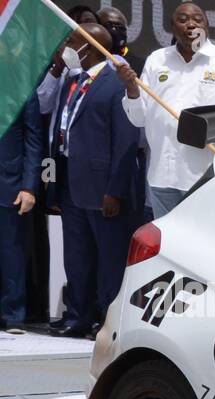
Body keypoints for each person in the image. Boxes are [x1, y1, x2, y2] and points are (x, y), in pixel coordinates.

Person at [115, 3, 215, 216]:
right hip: (161, 177)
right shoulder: (157, 60)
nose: (190, 24)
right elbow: (139, 119)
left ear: (207, 25)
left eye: (197, 19)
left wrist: (212, 136)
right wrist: (132, 90)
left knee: (200, 246)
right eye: (182, 20)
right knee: (167, 246)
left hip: (204, 177)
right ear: (172, 27)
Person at [48, 23, 143, 339]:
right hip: (73, 184)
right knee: (77, 258)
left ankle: (108, 320)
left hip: (105, 189)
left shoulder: (116, 81)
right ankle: (79, 316)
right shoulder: (74, 80)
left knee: (110, 259)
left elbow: (127, 139)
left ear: (90, 47)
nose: (66, 47)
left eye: (72, 42)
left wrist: (114, 190)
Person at [1, 95, 41, 334]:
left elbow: (34, 140)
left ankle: (13, 314)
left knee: (11, 251)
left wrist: (29, 186)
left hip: (10, 183)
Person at [97, 6, 142, 74]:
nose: (114, 30)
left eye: (120, 27)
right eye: (109, 25)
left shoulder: (139, 65)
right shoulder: (88, 62)